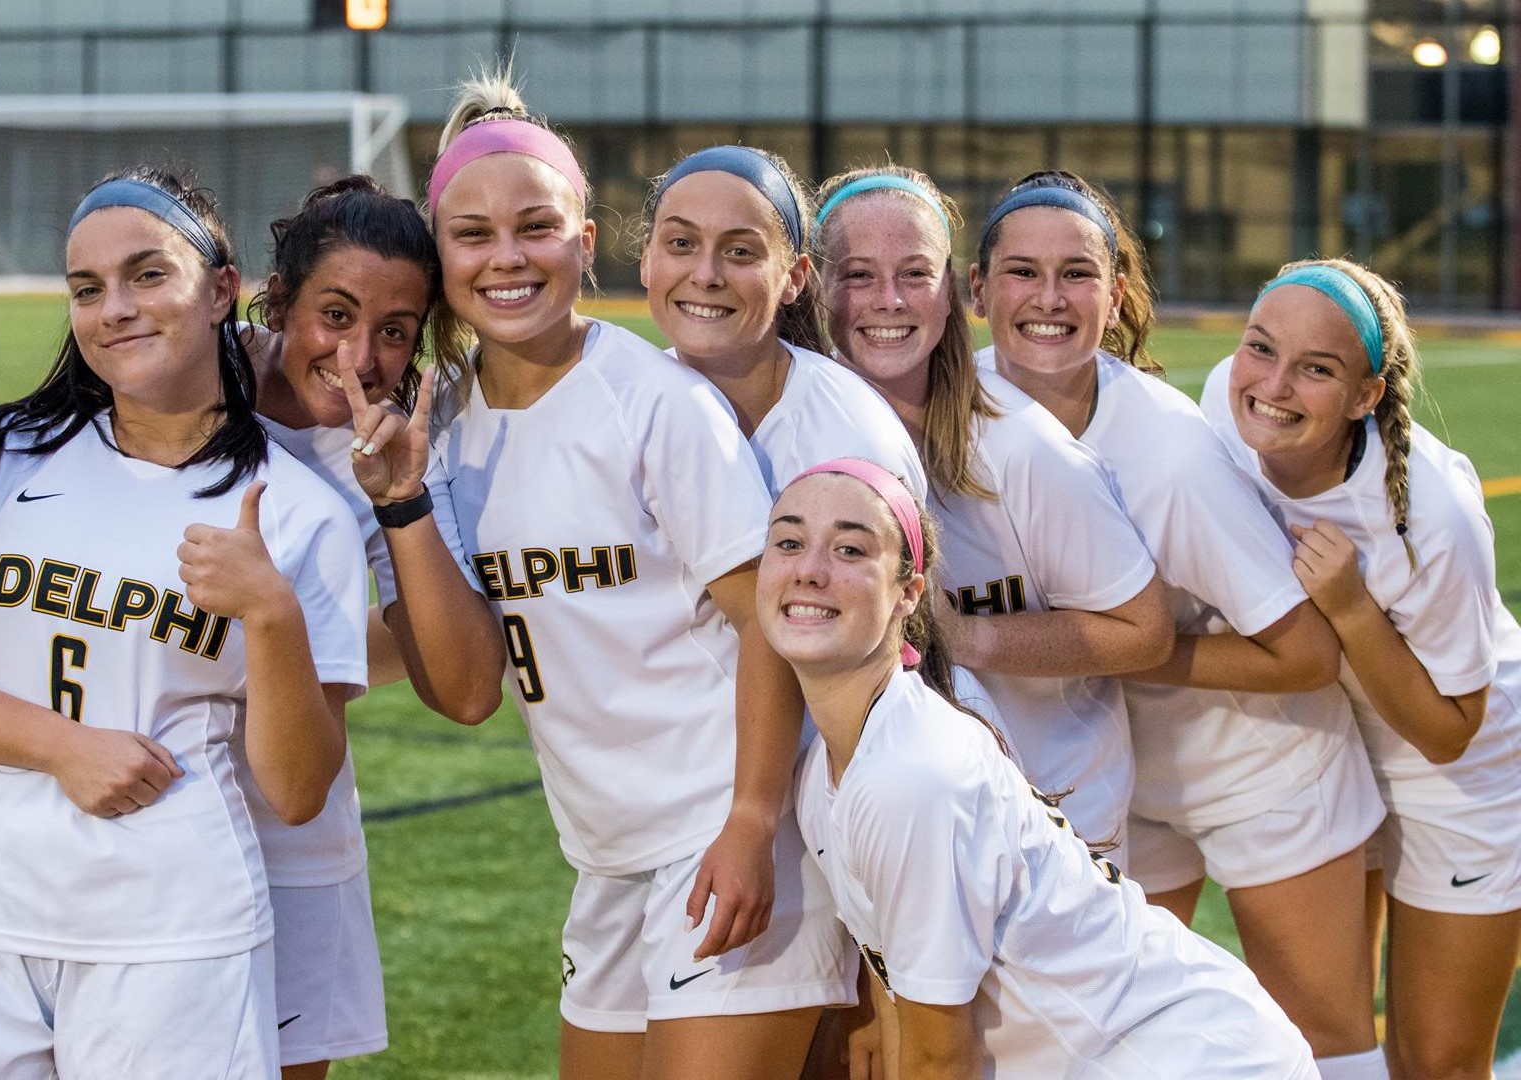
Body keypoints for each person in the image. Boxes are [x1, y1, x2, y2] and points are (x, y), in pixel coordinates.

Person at [0, 168, 367, 1079]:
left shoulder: (297, 515)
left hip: (166, 932)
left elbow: (297, 789)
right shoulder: (6, 456)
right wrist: (63, 747)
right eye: (88, 289)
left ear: (221, 290)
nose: (114, 308)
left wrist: (271, 612)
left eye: (146, 275)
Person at [426, 74, 852, 1079]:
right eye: (472, 234)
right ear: (438, 251)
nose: (506, 258)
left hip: (727, 831)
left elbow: (772, 623)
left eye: (536, 228)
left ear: (584, 241)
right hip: (605, 853)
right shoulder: (439, 426)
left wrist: (753, 820)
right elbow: (471, 673)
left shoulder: (655, 404)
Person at [967, 173, 1388, 1078]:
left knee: (1329, 1044)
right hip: (1125, 779)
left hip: (1267, 769)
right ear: (978, 289)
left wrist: (1133, 649)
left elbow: (1309, 654)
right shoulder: (958, 402)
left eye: (1076, 274)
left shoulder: (1165, 451)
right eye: (1022, 273)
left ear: (1113, 294)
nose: (1048, 299)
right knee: (1127, 1041)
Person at [767, 457, 1317, 1079]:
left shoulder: (914, 776)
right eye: (788, 542)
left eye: (848, 550)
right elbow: (903, 1002)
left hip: (1193, 1060)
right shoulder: (828, 771)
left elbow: (939, 1058)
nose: (810, 570)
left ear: (908, 594)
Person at [1202, 258, 1521, 1080]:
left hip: (1458, 770)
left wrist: (1349, 609)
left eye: (1317, 369)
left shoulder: (1432, 518)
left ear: (1367, 395)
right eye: (1259, 348)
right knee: (1333, 1040)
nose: (1272, 385)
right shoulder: (1218, 406)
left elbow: (1453, 733)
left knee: (1436, 1060)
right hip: (1330, 745)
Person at [813, 164, 1172, 857]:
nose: (888, 300)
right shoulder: (797, 442)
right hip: (883, 825)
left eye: (915, 274)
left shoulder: (1021, 446)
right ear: (812, 284)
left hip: (1050, 829)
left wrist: (963, 639)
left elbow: (1146, 632)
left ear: (952, 292)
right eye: (857, 274)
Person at [245, 175, 505, 1078]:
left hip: (296, 846)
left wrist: (399, 503)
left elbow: (469, 691)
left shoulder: (400, 450)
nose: (360, 356)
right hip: (141, 825)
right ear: (278, 303)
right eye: (336, 315)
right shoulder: (186, 384)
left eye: (395, 331)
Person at [637, 145, 924, 497]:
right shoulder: (619, 411)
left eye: (740, 251)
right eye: (681, 243)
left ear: (794, 278)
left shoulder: (858, 436)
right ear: (646, 260)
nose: (706, 275)